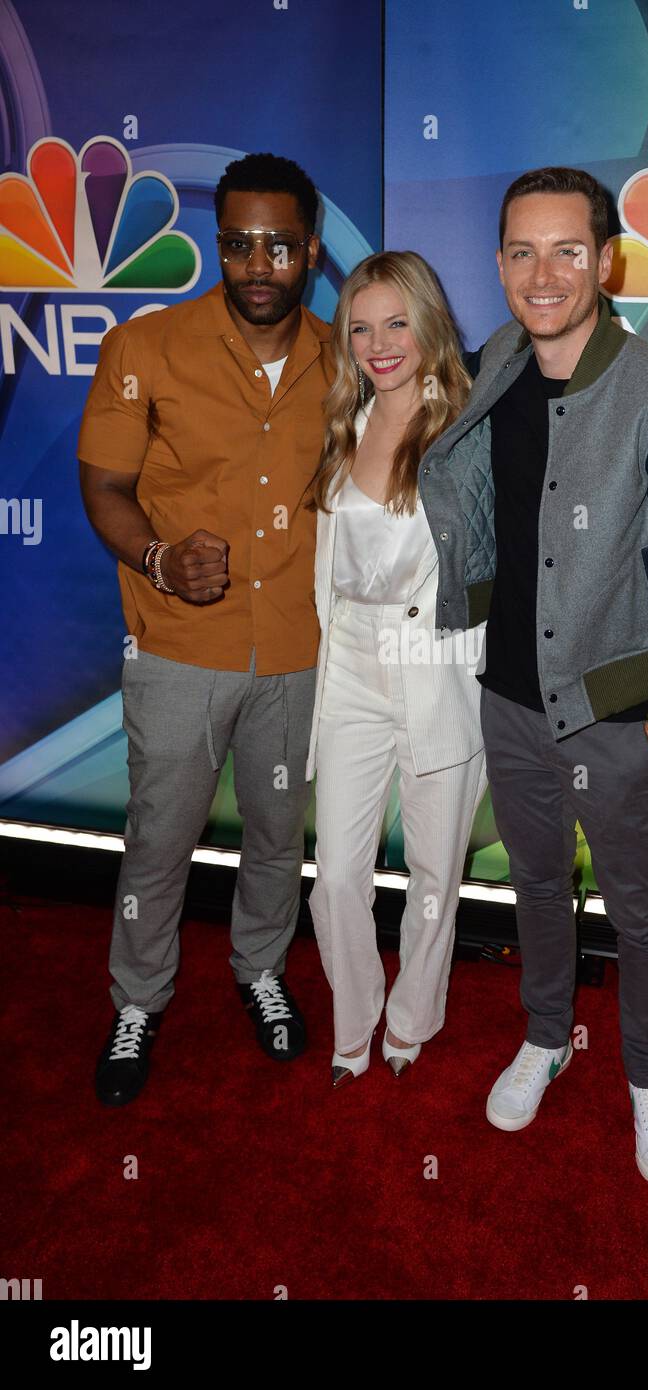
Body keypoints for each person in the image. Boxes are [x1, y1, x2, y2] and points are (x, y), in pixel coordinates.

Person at [417, 167, 648, 1186]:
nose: (544, 272)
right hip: (507, 698)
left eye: (568, 249)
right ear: (498, 264)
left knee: (640, 911)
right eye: (522, 251)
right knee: (532, 886)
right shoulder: (487, 367)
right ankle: (543, 1034)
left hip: (617, 721)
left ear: (607, 259)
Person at [78, 153, 334, 1105]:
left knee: (276, 834)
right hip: (181, 649)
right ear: (216, 247)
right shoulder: (145, 349)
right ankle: (138, 998)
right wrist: (155, 560)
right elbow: (104, 487)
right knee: (159, 839)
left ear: (309, 248)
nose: (257, 265)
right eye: (237, 245)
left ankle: (259, 969)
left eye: (277, 245)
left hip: (301, 651)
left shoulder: (345, 355)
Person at [305, 251, 487, 1087]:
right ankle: (353, 1022)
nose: (379, 344)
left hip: (438, 669)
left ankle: (411, 1021)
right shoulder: (339, 420)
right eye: (361, 327)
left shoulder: (470, 424)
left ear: (428, 322)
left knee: (432, 875)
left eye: (396, 322)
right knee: (337, 876)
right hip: (347, 666)